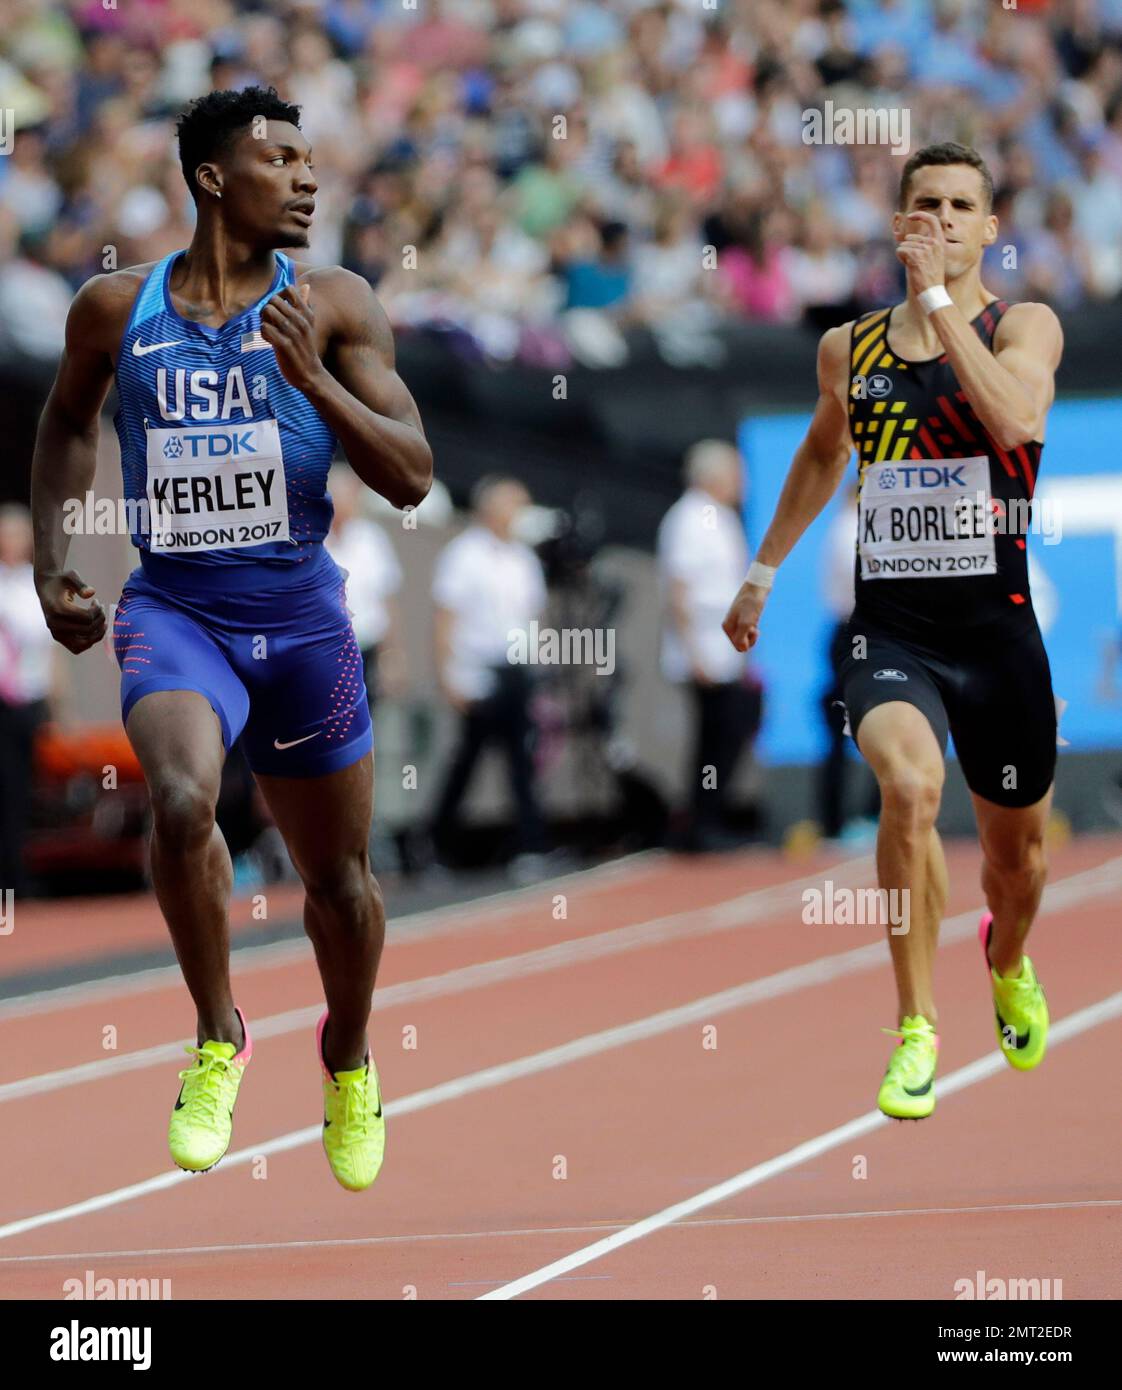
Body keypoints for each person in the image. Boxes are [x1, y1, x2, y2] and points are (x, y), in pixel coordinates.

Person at [31, 87, 432, 1189]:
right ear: (215, 178)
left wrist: (314, 384)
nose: (308, 179)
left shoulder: (337, 304)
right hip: (177, 610)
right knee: (179, 799)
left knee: (338, 881)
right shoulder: (119, 309)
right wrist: (52, 561)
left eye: (313, 162)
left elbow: (411, 474)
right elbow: (67, 420)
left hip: (302, 621)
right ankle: (219, 1034)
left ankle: (347, 1054)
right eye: (283, 160)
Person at [723, 142, 1061, 1121]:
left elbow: (1013, 425)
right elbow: (824, 453)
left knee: (1017, 861)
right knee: (909, 788)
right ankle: (916, 1027)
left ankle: (1005, 957)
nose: (943, 219)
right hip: (894, 632)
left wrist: (943, 310)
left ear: (988, 228)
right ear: (899, 221)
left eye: (963, 206)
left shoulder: (1021, 326)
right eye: (925, 204)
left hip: (997, 637)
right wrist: (763, 571)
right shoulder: (850, 349)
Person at [430, 476, 547, 873]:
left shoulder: (525, 560)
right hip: (478, 673)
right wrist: (449, 675)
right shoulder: (463, 555)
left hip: (515, 671)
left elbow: (531, 617)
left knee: (522, 761)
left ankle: (530, 844)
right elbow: (446, 619)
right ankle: (438, 844)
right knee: (467, 760)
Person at [657, 440, 760, 850]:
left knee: (730, 730)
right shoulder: (688, 519)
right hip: (701, 643)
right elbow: (679, 590)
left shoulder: (723, 518)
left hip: (723, 643)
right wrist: (691, 650)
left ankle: (708, 815)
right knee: (713, 735)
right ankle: (699, 821)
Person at [817, 479, 880, 843]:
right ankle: (844, 820)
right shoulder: (851, 530)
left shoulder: (849, 526)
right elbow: (863, 588)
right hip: (857, 634)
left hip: (856, 632)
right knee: (858, 724)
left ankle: (857, 816)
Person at [0, 504, 56, 898]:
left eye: (19, 535)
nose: (13, 542)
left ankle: (19, 874)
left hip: (31, 700)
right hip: (2, 703)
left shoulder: (37, 586)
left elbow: (49, 652)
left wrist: (56, 705)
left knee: (24, 792)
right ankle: (9, 877)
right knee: (5, 787)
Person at [323, 463, 406, 710]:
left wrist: (391, 656)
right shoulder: (311, 536)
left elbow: (386, 600)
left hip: (363, 648)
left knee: (361, 720)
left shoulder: (372, 538)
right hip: (321, 649)